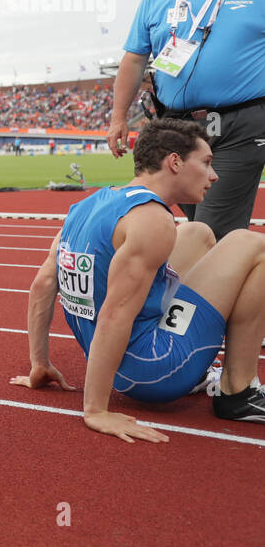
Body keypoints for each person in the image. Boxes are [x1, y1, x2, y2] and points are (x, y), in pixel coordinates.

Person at [14, 118, 265, 438]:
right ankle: (238, 391)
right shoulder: (152, 220)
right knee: (253, 245)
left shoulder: (86, 205)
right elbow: (115, 314)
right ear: (175, 162)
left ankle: (205, 375)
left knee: (196, 232)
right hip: (155, 368)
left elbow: (43, 286)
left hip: (119, 364)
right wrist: (96, 410)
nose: (213, 175)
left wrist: (39, 363)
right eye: (206, 163)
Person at [107, 0, 264, 240]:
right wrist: (119, 117)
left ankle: (201, 293)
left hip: (241, 125)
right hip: (175, 126)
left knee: (209, 231)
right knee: (196, 227)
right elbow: (134, 58)